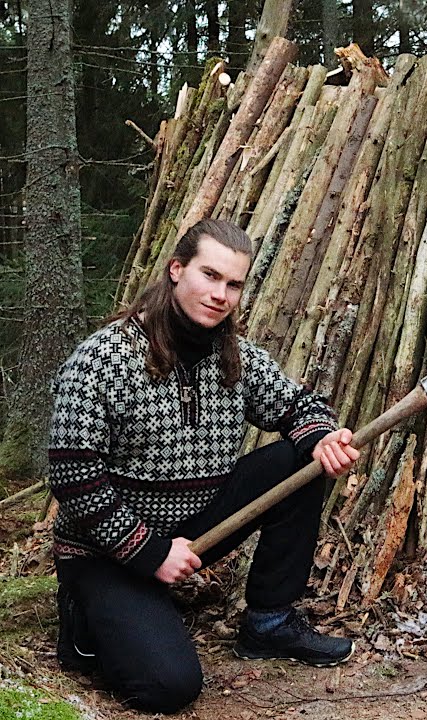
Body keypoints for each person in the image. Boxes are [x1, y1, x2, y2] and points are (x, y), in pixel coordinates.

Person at [49, 219, 361, 713]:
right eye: (209, 276)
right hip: (103, 551)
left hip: (194, 529)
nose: (220, 294)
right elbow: (74, 477)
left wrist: (324, 437)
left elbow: (299, 405)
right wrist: (150, 553)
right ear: (177, 270)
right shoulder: (105, 358)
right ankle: (85, 618)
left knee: (302, 458)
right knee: (168, 688)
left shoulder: (235, 356)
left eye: (233, 283)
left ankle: (269, 624)